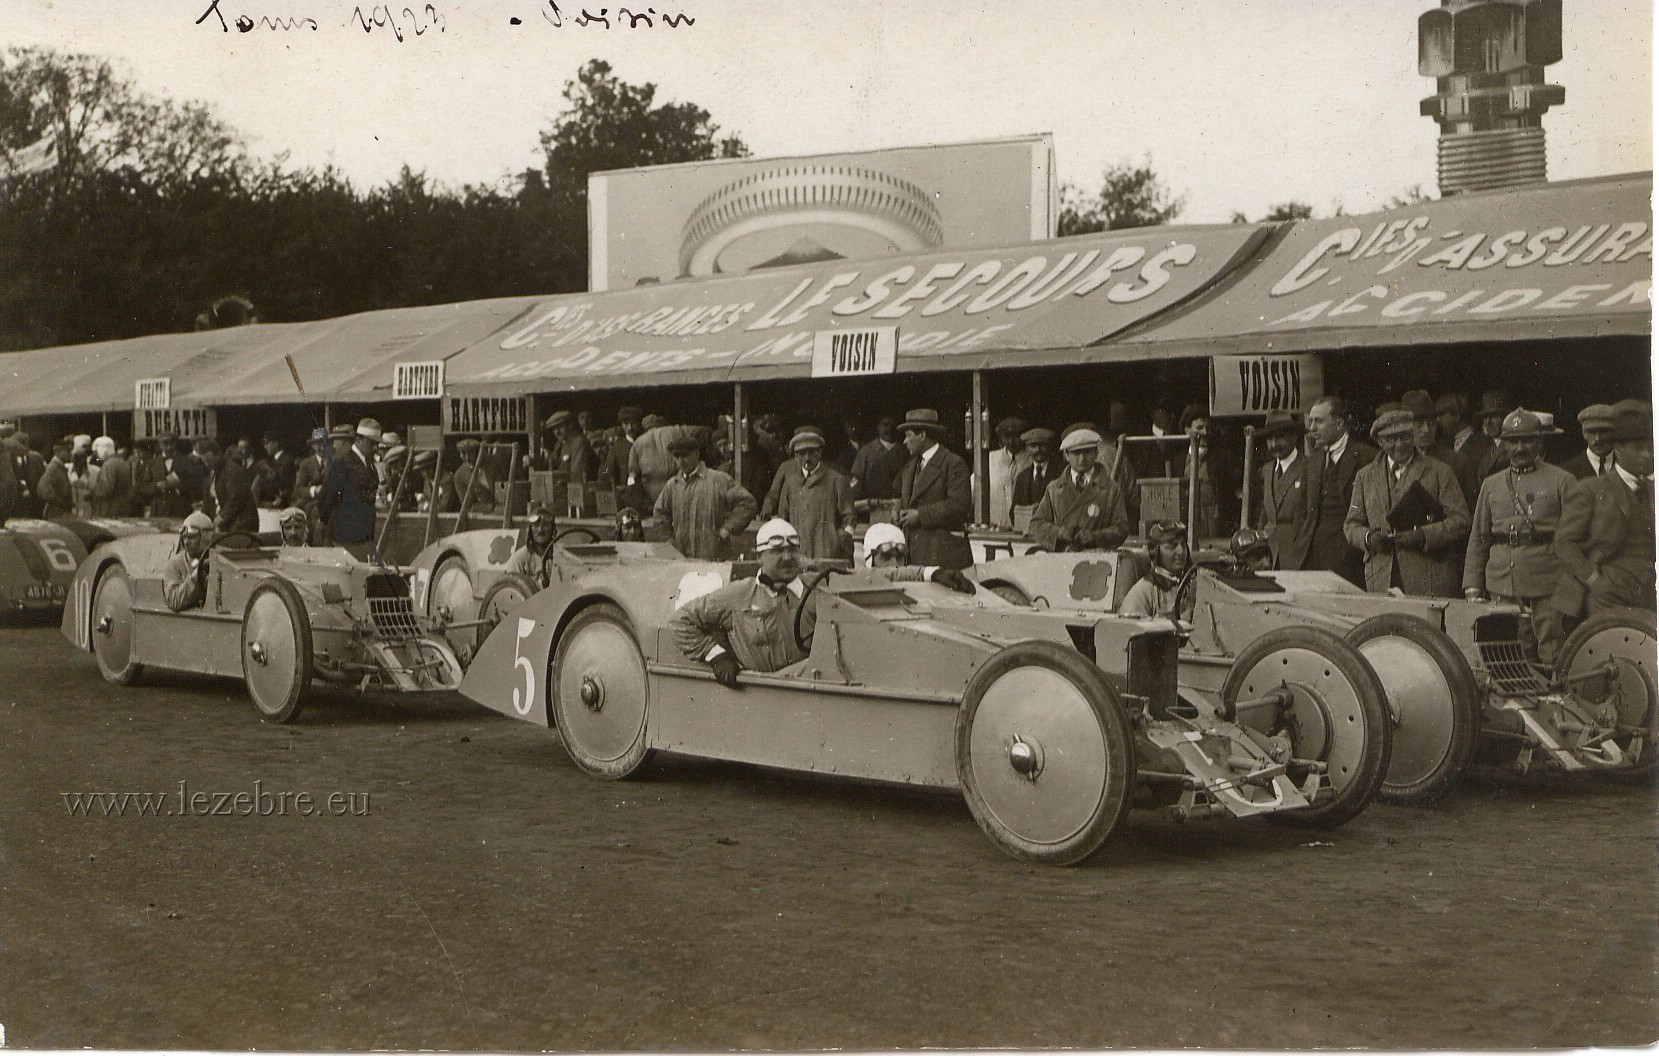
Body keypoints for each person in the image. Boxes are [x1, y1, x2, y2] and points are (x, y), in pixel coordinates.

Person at [1463, 409, 1575, 665]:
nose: (1520, 447)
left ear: (1539, 442)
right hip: (1502, 585)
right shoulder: (1491, 484)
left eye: (1527, 440)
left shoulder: (1562, 481)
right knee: (1506, 654)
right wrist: (1473, 586)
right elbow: (1479, 538)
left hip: (1547, 583)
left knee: (1552, 653)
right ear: (1503, 443)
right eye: (1513, 441)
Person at [1343, 408, 1471, 597]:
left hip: (1428, 577)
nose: (1400, 444)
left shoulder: (1439, 472)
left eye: (1405, 437)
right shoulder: (1365, 476)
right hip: (1380, 578)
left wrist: (1423, 536)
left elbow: (1461, 521)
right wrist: (1368, 538)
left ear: (1413, 435)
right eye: (1391, 439)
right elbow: (1351, 524)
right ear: (1379, 441)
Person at [669, 518, 809, 687]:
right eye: (777, 551)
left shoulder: (813, 592)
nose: (787, 557)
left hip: (809, 686)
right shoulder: (739, 594)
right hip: (764, 692)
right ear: (760, 557)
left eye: (793, 550)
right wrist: (715, 655)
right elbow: (679, 622)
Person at [1552, 399, 1656, 618]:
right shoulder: (1591, 489)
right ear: (1617, 450)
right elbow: (1564, 542)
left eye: (1650, 448)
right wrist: (1593, 580)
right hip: (1606, 597)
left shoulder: (1652, 491)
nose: (1647, 455)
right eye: (1638, 448)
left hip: (1648, 596)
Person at [1283, 396, 1375, 582]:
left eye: (1319, 421)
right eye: (1311, 421)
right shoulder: (1313, 461)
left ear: (1339, 424)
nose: (1312, 428)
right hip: (1309, 557)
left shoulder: (1367, 457)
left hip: (1348, 560)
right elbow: (1302, 511)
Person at [653, 434, 757, 560]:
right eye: (677, 457)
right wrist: (668, 541)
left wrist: (728, 527)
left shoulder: (718, 480)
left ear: (696, 454)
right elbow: (659, 514)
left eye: (685, 456)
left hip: (714, 557)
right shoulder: (673, 485)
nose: (681, 461)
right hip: (681, 559)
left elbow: (747, 503)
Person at [893, 408, 973, 569]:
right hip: (914, 556)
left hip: (942, 556)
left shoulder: (953, 463)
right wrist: (898, 509)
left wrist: (921, 515)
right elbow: (906, 498)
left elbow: (959, 505)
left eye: (908, 435)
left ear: (922, 435)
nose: (904, 441)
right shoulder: (909, 468)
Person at [1029, 427, 1131, 553]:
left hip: (1099, 560)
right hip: (1063, 559)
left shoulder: (1111, 489)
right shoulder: (1054, 489)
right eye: (1076, 453)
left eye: (1087, 452)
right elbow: (1036, 524)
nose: (1082, 459)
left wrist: (1095, 537)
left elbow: (1122, 528)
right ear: (1066, 455)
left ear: (1096, 453)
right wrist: (1059, 532)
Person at [760, 426, 855, 561]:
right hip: (799, 553)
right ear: (796, 456)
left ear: (820, 453)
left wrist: (841, 537)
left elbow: (849, 517)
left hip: (828, 552)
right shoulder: (790, 484)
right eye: (801, 453)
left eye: (812, 452)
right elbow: (783, 520)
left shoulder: (836, 481)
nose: (807, 458)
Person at [319, 419, 382, 558]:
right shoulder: (342, 463)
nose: (375, 448)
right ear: (358, 440)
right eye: (372, 443)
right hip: (345, 540)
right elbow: (327, 498)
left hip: (365, 539)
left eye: (377, 444)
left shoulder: (371, 466)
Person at [1254, 410, 1306, 569]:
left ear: (1294, 437)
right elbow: (1266, 510)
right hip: (1269, 554)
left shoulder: (1308, 468)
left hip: (1296, 553)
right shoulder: (1267, 470)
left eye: (1280, 437)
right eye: (1270, 438)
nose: (1274, 444)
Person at [859, 520, 978, 591]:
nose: (894, 563)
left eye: (899, 557)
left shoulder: (909, 584)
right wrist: (932, 573)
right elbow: (887, 574)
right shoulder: (860, 577)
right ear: (869, 557)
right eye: (886, 556)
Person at [1119, 521, 1195, 620]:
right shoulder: (1143, 592)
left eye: (1184, 546)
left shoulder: (1194, 585)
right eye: (1172, 546)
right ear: (1155, 552)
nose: (1181, 552)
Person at [848, 415, 909, 519]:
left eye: (892, 426)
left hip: (900, 513)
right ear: (878, 427)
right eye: (885, 425)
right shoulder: (866, 452)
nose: (889, 429)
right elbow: (855, 486)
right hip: (872, 513)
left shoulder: (906, 452)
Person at [197, 437, 259, 536]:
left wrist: (221, 517)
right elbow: (207, 499)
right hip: (227, 524)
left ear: (218, 455)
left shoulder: (233, 470)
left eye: (209, 461)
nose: (207, 464)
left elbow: (236, 498)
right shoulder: (211, 472)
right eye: (204, 461)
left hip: (241, 524)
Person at [162, 511, 217, 611]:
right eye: (184, 537)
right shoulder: (175, 564)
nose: (186, 542)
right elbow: (174, 601)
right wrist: (196, 577)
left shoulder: (218, 560)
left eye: (191, 538)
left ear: (205, 538)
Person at [985, 417, 1029, 530]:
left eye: (1016, 436)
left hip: (1024, 532)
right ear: (1001, 439)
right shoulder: (990, 460)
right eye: (1007, 436)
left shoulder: (1032, 460)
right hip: (995, 529)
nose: (1011, 441)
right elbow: (973, 491)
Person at [1010, 427, 1063, 513]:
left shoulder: (1061, 473)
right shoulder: (1022, 477)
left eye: (1042, 445)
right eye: (1033, 445)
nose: (1038, 450)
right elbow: (1013, 512)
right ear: (1027, 448)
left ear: (1050, 447)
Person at [1560, 404, 1618, 480]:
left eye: (1603, 432)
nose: (1598, 439)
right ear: (1584, 433)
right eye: (1592, 432)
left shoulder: (1627, 467)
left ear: (1614, 433)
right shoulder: (1566, 472)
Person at [507, 505, 559, 585]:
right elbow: (513, 592)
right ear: (530, 530)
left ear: (552, 529)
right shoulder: (519, 560)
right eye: (536, 525)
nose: (540, 530)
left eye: (545, 524)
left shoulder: (560, 557)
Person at [445, 438, 496, 514]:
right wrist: (489, 508)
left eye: (471, 453)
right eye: (463, 453)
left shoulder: (493, 463)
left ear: (477, 452)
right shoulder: (459, 476)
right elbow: (467, 506)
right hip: (483, 515)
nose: (467, 457)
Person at [600, 406, 644, 488]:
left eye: (633, 423)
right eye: (626, 424)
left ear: (639, 423)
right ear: (622, 425)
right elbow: (608, 472)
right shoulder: (616, 448)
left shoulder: (645, 443)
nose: (630, 427)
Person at [89, 436, 134, 516]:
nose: (95, 455)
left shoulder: (108, 465)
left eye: (96, 452)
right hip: (123, 506)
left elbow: (106, 490)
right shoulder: (122, 462)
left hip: (110, 509)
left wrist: (91, 489)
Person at [37, 442, 74, 518]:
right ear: (57, 452)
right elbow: (43, 488)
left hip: (60, 510)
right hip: (56, 511)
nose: (70, 453)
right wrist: (59, 501)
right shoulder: (53, 468)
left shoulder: (59, 467)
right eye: (67, 451)